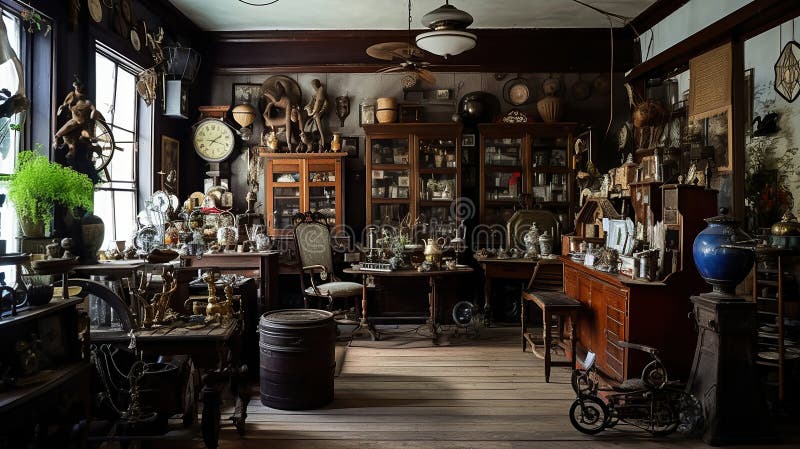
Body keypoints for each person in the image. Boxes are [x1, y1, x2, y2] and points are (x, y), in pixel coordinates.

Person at [304, 79, 329, 150]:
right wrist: (308, 108)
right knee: (309, 125)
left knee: (317, 120)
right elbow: (311, 103)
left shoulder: (322, 94)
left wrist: (321, 112)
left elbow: (325, 105)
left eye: (314, 85)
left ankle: (322, 141)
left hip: (319, 114)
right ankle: (310, 145)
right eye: (313, 86)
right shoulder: (314, 96)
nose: (314, 87)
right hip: (313, 114)